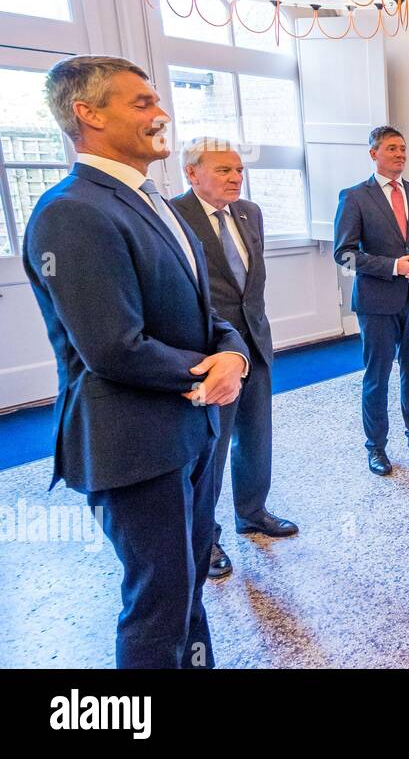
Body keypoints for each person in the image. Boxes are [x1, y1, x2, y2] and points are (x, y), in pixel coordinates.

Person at [25, 55, 249, 667]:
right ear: (88, 114)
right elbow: (111, 347)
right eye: (141, 103)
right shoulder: (72, 212)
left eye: (156, 101)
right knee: (158, 603)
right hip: (133, 442)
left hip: (192, 427)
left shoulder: (152, 202)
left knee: (188, 586)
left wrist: (232, 353)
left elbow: (206, 314)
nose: (161, 114)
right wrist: (212, 370)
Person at [173, 138, 299, 580]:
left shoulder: (250, 213)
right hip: (210, 352)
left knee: (255, 434)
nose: (235, 178)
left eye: (239, 170)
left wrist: (255, 337)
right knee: (211, 449)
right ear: (192, 173)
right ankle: (203, 538)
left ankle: (252, 511)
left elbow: (252, 284)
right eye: (224, 170)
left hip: (256, 344)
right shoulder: (173, 217)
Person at [333, 126, 409, 475]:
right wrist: (394, 267)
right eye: (391, 149)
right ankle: (377, 448)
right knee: (378, 376)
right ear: (373, 154)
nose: (400, 154)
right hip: (377, 301)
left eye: (403, 148)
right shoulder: (354, 197)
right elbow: (344, 256)